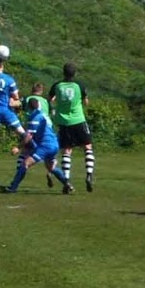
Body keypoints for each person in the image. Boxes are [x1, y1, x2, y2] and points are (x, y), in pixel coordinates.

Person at [4, 95, 73, 194]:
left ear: (29, 107)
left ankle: (13, 187)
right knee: (51, 167)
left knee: (25, 163)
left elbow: (29, 136)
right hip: (54, 144)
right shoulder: (43, 115)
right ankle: (67, 184)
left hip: (45, 146)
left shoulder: (35, 117)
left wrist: (18, 147)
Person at [48, 64, 96, 192]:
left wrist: (55, 107)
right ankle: (89, 175)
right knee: (87, 147)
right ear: (74, 74)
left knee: (67, 151)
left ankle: (66, 180)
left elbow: (50, 100)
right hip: (78, 119)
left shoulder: (57, 86)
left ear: (63, 73)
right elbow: (86, 102)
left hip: (63, 122)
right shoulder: (79, 85)